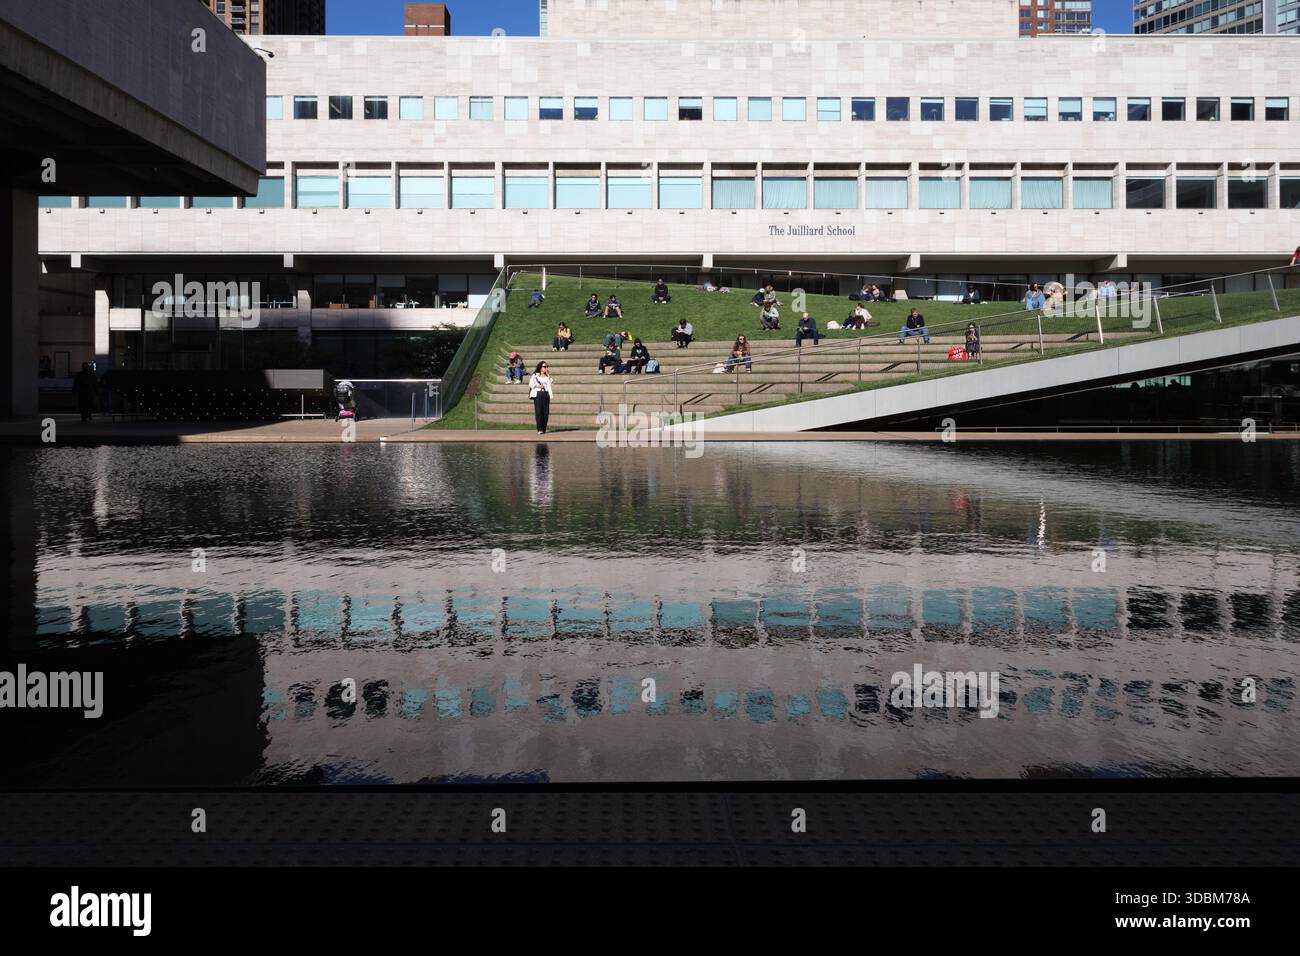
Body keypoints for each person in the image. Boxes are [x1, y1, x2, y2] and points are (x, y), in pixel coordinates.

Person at [528, 361, 553, 434]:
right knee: (539, 412)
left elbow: (552, 382)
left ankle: (544, 428)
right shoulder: (535, 375)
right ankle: (540, 429)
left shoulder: (547, 376)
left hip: (546, 394)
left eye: (547, 366)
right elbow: (530, 384)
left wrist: (548, 375)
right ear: (541, 368)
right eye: (545, 367)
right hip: (538, 394)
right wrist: (538, 386)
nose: (546, 368)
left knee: (546, 412)